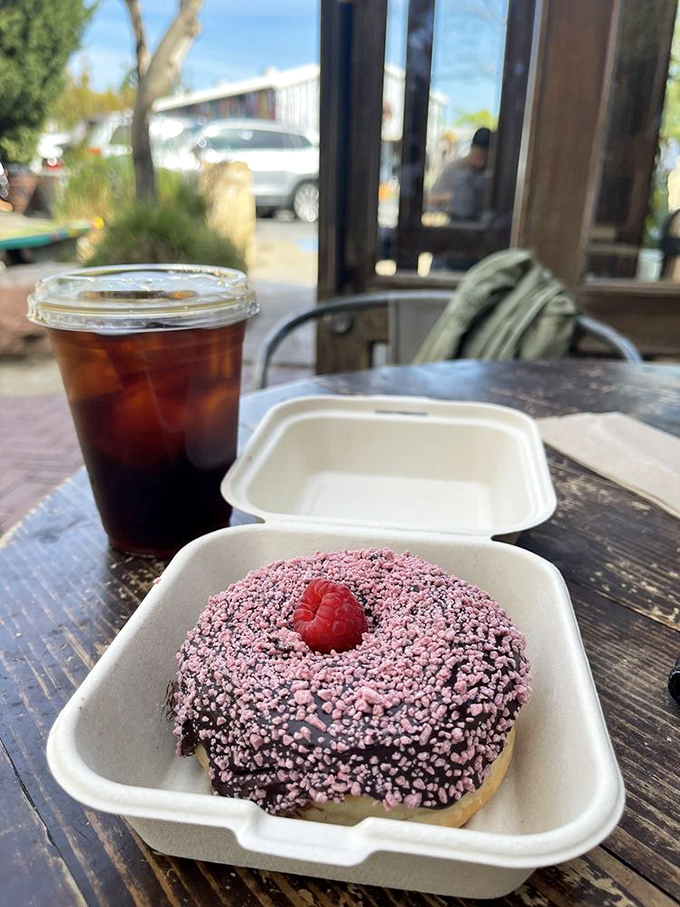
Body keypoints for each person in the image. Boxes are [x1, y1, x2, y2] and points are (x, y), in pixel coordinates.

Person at [428, 127, 491, 222]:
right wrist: (452, 197)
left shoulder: (490, 174)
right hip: (454, 225)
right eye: (478, 157)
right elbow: (430, 199)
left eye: (486, 159)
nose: (480, 163)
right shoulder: (452, 169)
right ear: (471, 149)